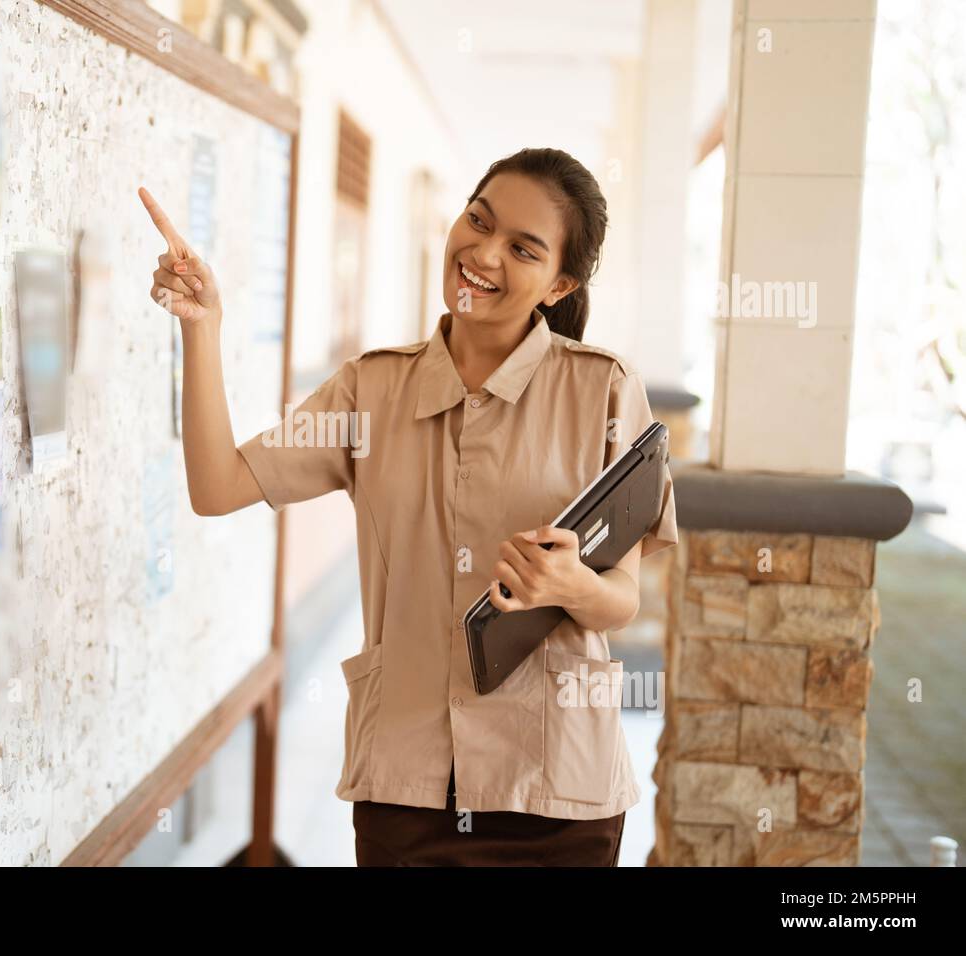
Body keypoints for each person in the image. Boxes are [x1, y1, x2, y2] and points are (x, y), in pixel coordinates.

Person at [138, 146, 678, 866]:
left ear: (560, 283)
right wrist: (201, 328)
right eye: (478, 220)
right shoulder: (371, 390)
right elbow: (218, 486)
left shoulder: (605, 392)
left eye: (523, 248)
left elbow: (622, 602)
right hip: (408, 786)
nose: (483, 253)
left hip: (557, 792)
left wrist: (569, 585)